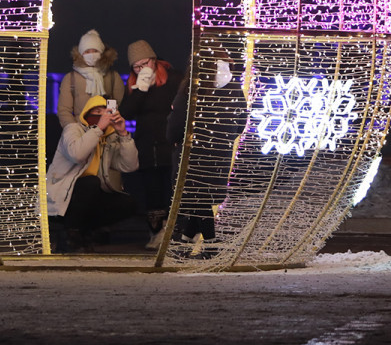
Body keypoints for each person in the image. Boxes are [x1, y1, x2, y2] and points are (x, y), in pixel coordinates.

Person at [167, 47, 245, 254]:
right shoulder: (234, 87)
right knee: (201, 198)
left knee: (197, 197)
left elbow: (175, 125)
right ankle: (184, 241)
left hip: (193, 153)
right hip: (220, 153)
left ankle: (211, 244)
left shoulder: (192, 87)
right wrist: (224, 138)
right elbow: (241, 122)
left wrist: (174, 138)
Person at [46, 95, 139, 253]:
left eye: (106, 111)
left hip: (89, 195)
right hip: (62, 196)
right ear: (87, 113)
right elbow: (77, 154)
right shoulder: (73, 129)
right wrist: (98, 129)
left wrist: (124, 134)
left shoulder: (108, 139)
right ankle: (69, 235)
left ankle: (83, 231)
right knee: (90, 183)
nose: (103, 115)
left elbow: (129, 166)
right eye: (97, 111)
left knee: (128, 203)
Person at [118, 38, 183, 249]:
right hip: (147, 146)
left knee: (173, 189)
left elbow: (182, 107)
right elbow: (126, 112)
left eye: (144, 64)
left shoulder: (174, 79)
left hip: (170, 143)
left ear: (154, 60)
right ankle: (155, 233)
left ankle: (176, 232)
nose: (141, 69)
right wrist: (140, 89)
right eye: (136, 67)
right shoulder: (134, 84)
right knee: (152, 192)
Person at [56, 30, 125, 134]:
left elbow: (121, 105)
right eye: (87, 52)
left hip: (108, 132)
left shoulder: (112, 76)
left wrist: (112, 126)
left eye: (95, 51)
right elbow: (64, 110)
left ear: (102, 53)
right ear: (81, 54)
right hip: (81, 132)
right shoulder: (71, 78)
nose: (91, 54)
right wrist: (73, 130)